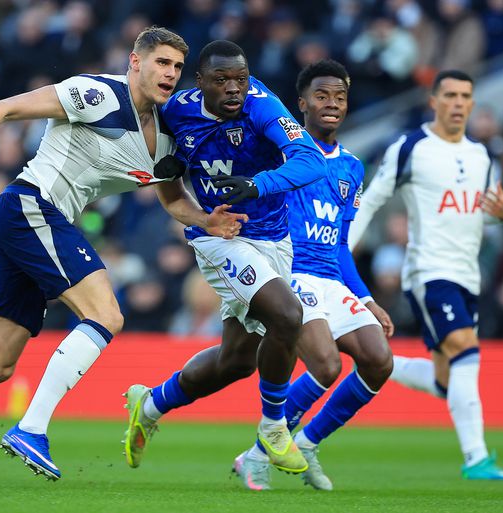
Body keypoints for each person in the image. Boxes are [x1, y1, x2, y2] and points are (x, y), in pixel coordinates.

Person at [0, 27, 244, 484]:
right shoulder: (96, 94)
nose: (169, 73)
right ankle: (32, 428)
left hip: (34, 221)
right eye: (161, 62)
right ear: (136, 62)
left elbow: (172, 201)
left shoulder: (169, 138)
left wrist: (205, 220)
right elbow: (6, 107)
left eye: (176, 67)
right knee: (106, 314)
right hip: (31, 206)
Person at [123, 40, 327, 475]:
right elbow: (165, 183)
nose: (234, 88)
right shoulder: (175, 113)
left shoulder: (262, 105)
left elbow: (311, 161)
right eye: (222, 81)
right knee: (288, 316)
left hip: (274, 239)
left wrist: (258, 185)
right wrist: (182, 189)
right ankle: (274, 427)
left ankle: (152, 404)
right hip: (218, 237)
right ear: (200, 84)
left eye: (240, 78)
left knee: (236, 361)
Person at [231, 59, 393, 491]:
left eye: (340, 97)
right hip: (291, 273)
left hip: (332, 280)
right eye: (322, 96)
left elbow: (340, 245)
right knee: (326, 364)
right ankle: (259, 454)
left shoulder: (353, 167)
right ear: (301, 104)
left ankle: (307, 442)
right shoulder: (283, 151)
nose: (332, 104)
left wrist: (368, 299)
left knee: (379, 361)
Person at [348, 70, 503, 480]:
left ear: (473, 104)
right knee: (464, 345)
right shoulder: (411, 148)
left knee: (446, 379)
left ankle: (382, 365)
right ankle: (476, 458)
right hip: (429, 271)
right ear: (434, 101)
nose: (458, 103)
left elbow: (483, 216)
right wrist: (338, 254)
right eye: (451, 95)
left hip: (467, 275)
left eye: (465, 96)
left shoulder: (481, 156)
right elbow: (370, 201)